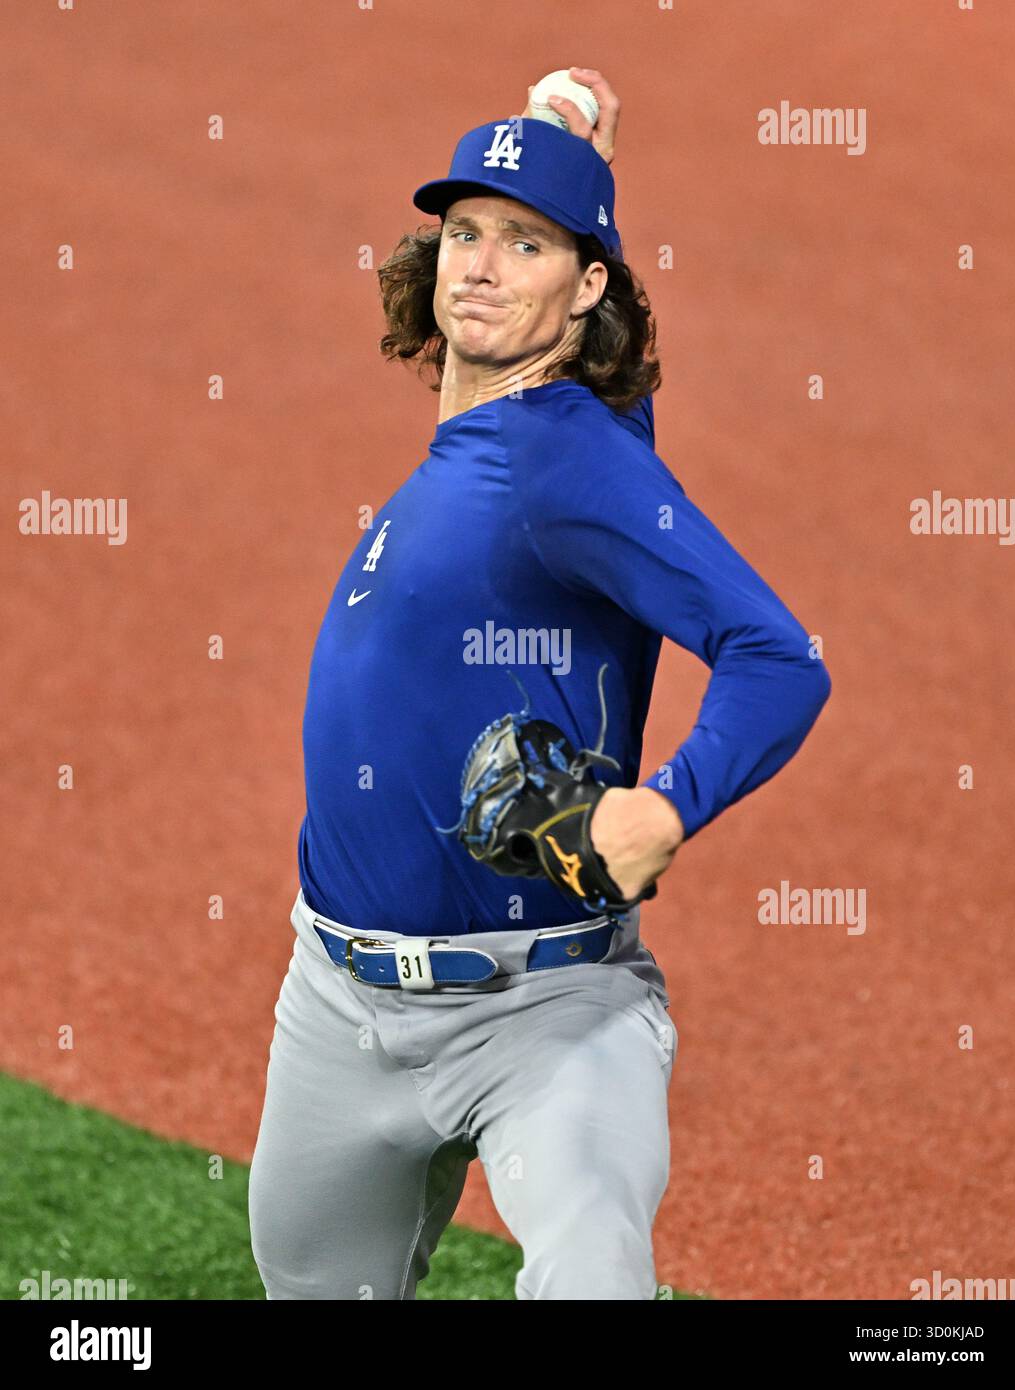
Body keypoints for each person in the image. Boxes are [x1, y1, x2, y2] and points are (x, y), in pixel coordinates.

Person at [248, 70, 831, 1301]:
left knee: (589, 1272)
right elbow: (626, 406)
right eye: (465, 232)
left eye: (525, 244)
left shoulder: (555, 457)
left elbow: (777, 655)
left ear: (586, 285)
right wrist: (577, 169)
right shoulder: (536, 440)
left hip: (547, 1008)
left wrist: (665, 803)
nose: (479, 265)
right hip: (336, 1006)